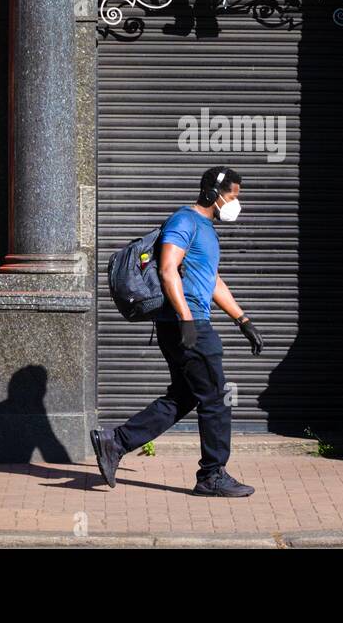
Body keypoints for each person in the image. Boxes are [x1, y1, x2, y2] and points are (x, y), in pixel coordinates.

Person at [91, 166, 264, 497]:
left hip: (189, 323)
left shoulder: (206, 229)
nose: (235, 202)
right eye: (233, 195)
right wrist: (186, 318)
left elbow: (210, 280)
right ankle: (212, 475)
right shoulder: (184, 221)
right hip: (188, 325)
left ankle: (115, 442)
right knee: (215, 398)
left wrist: (243, 320)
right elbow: (168, 269)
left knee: (185, 396)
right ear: (214, 193)